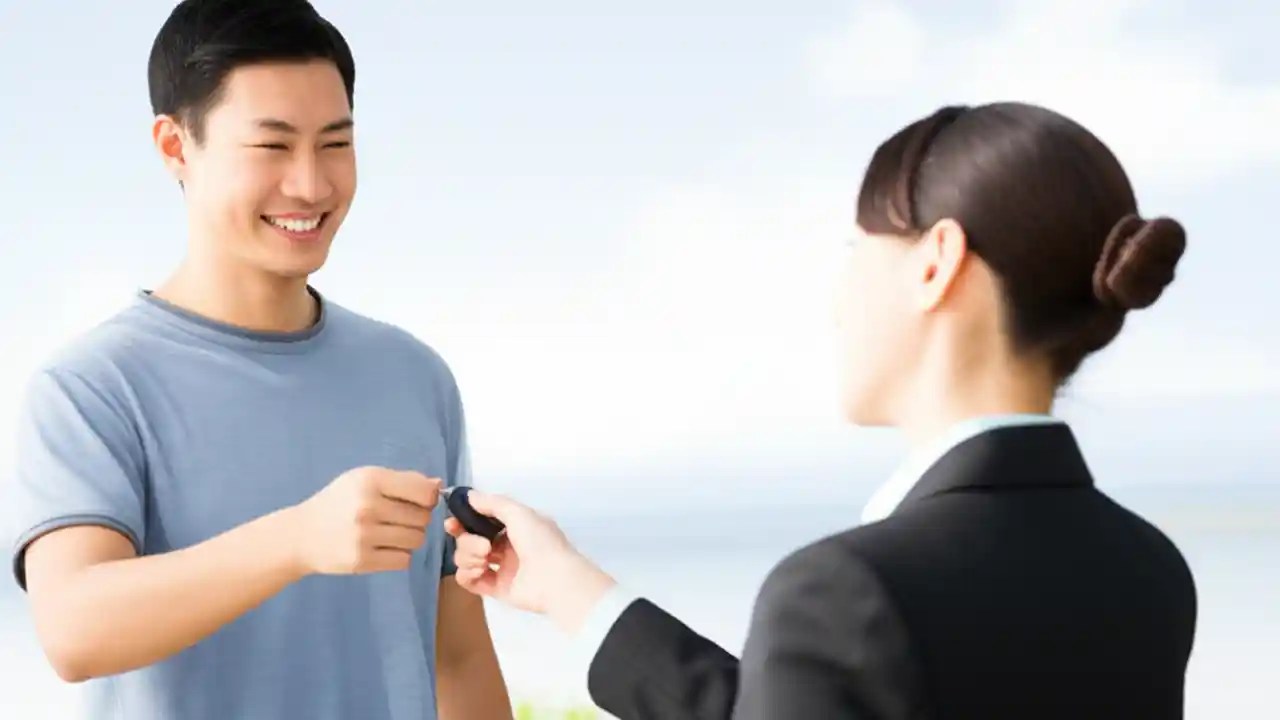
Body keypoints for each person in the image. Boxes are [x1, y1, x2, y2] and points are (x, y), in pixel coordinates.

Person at [444, 102, 1198, 719]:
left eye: (857, 252)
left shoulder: (848, 590)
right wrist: (569, 591)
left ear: (935, 263)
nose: (838, 302)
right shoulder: (1149, 570)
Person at [6, 1, 513, 718]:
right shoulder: (92, 389)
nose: (311, 185)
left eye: (335, 143)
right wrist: (299, 538)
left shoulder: (414, 376)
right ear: (176, 147)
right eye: (273, 147)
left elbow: (457, 657)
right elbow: (74, 630)